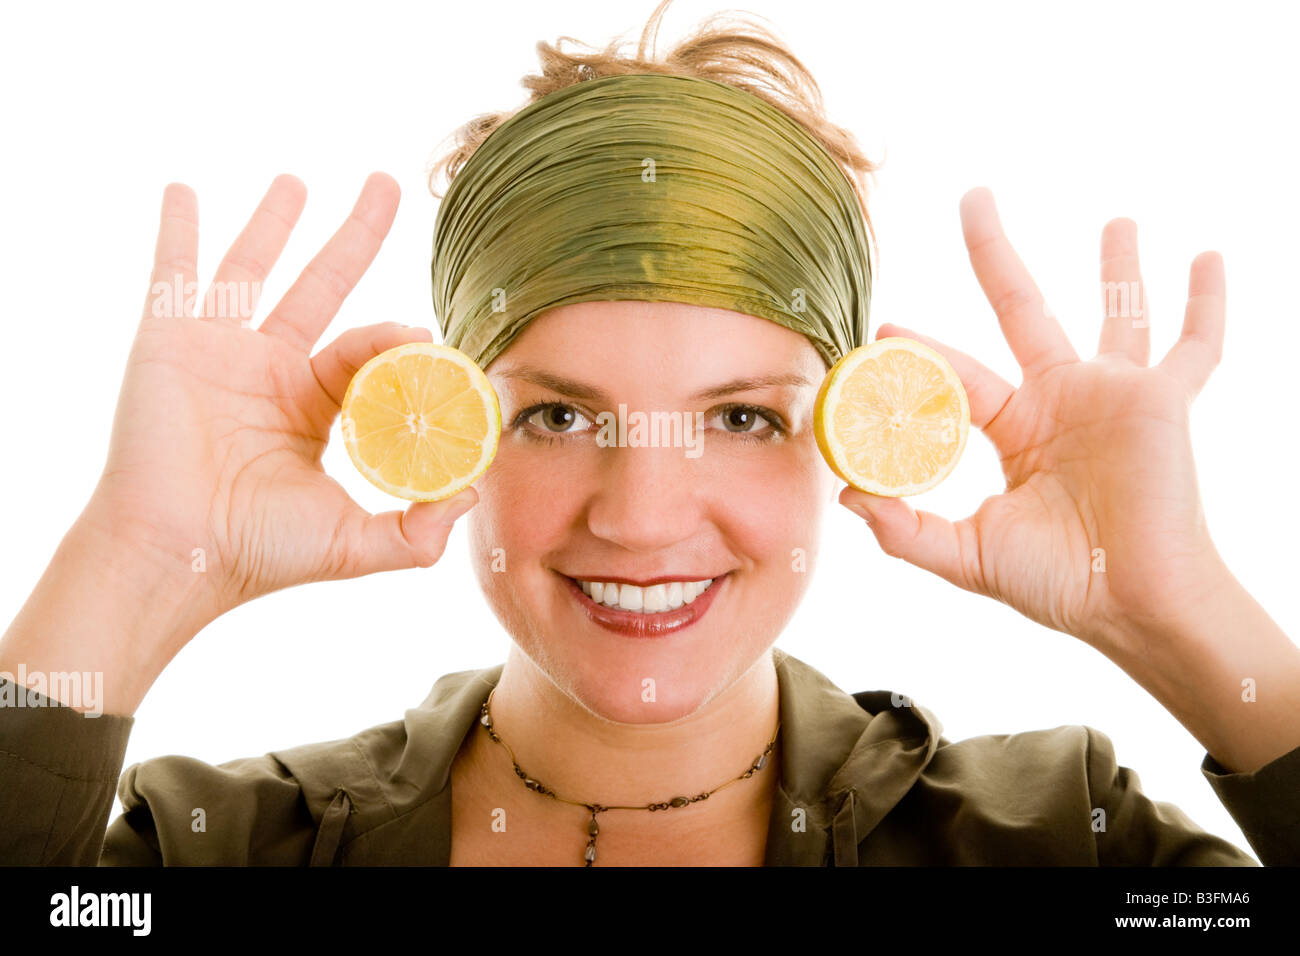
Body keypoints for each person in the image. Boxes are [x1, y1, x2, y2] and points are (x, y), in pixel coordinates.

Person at [1, 0, 1297, 867]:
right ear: (448, 427)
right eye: (557, 414)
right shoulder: (229, 848)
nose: (641, 514)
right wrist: (130, 560)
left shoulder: (1053, 845)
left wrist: (1178, 611)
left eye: (741, 416)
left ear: (844, 431)